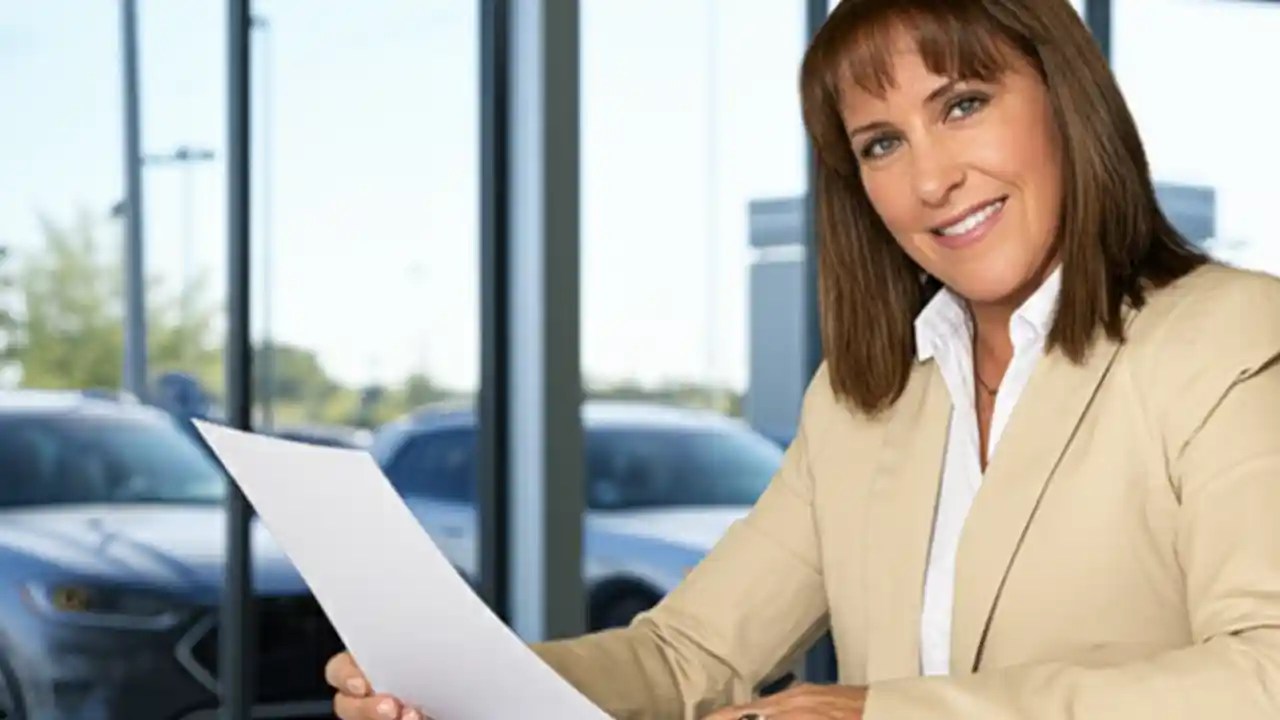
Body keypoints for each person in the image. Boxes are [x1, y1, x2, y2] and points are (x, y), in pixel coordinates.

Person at [325, 0, 1280, 717]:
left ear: (1066, 103)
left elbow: (1265, 674)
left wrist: (880, 714)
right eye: (882, 143)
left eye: (963, 104)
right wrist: (465, 688)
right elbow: (685, 657)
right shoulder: (864, 401)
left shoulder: (1231, 335)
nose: (931, 179)